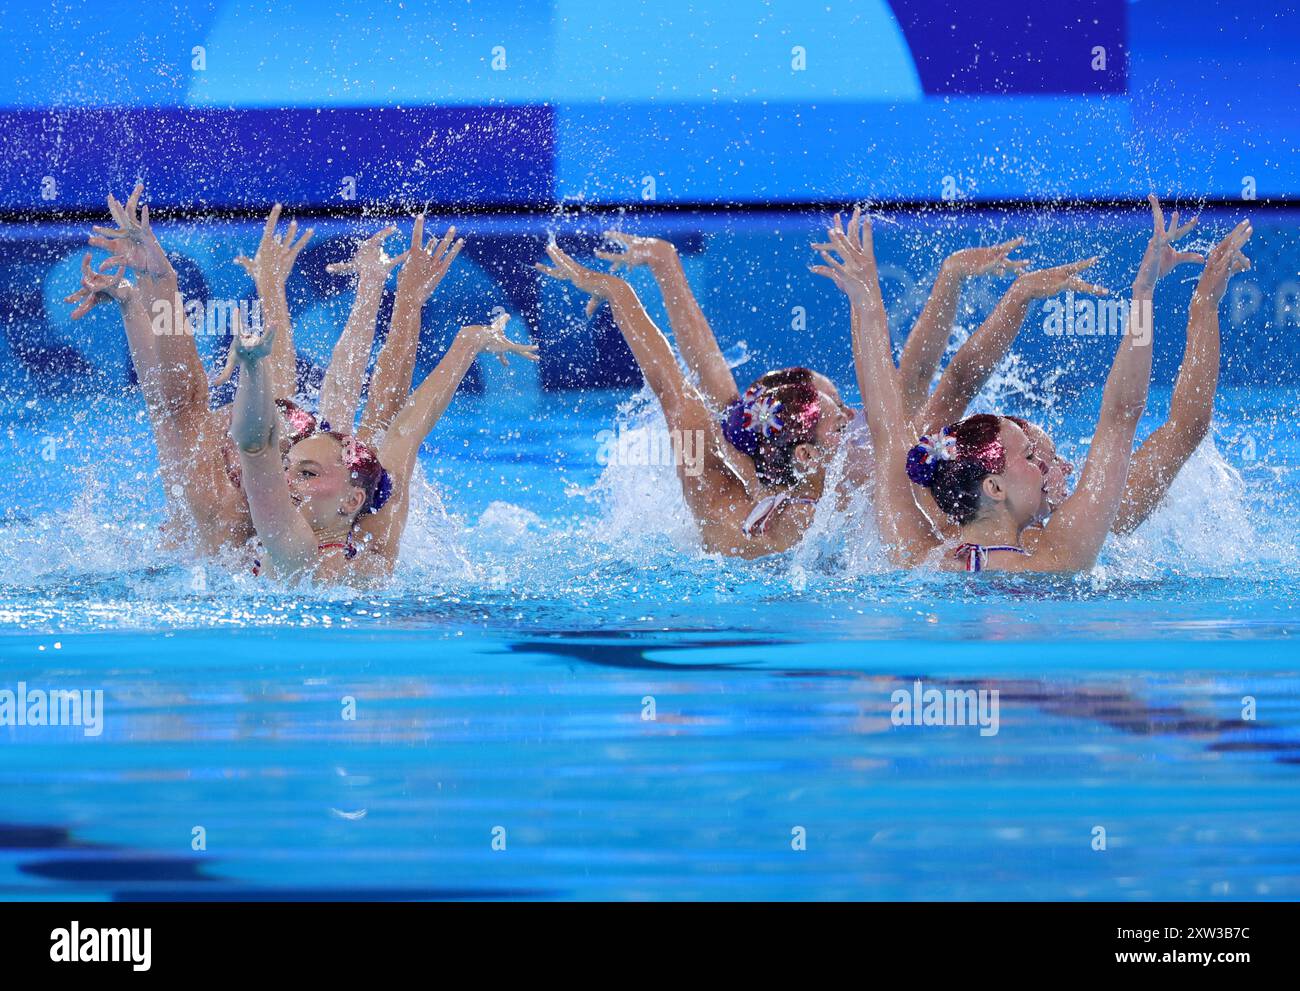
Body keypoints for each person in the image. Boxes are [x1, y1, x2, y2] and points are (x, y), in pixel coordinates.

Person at [814, 196, 1246, 573]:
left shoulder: (914, 552)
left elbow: (888, 429)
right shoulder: (1058, 556)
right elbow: (1120, 418)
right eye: (1032, 456)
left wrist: (866, 299)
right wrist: (1150, 293)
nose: (1052, 468)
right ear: (995, 487)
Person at [227, 310, 536, 583]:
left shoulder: (297, 556)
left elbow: (255, 449)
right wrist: (469, 342)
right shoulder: (376, 550)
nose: (285, 479)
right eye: (285, 468)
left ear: (352, 500)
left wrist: (253, 368)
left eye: (307, 473)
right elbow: (406, 432)